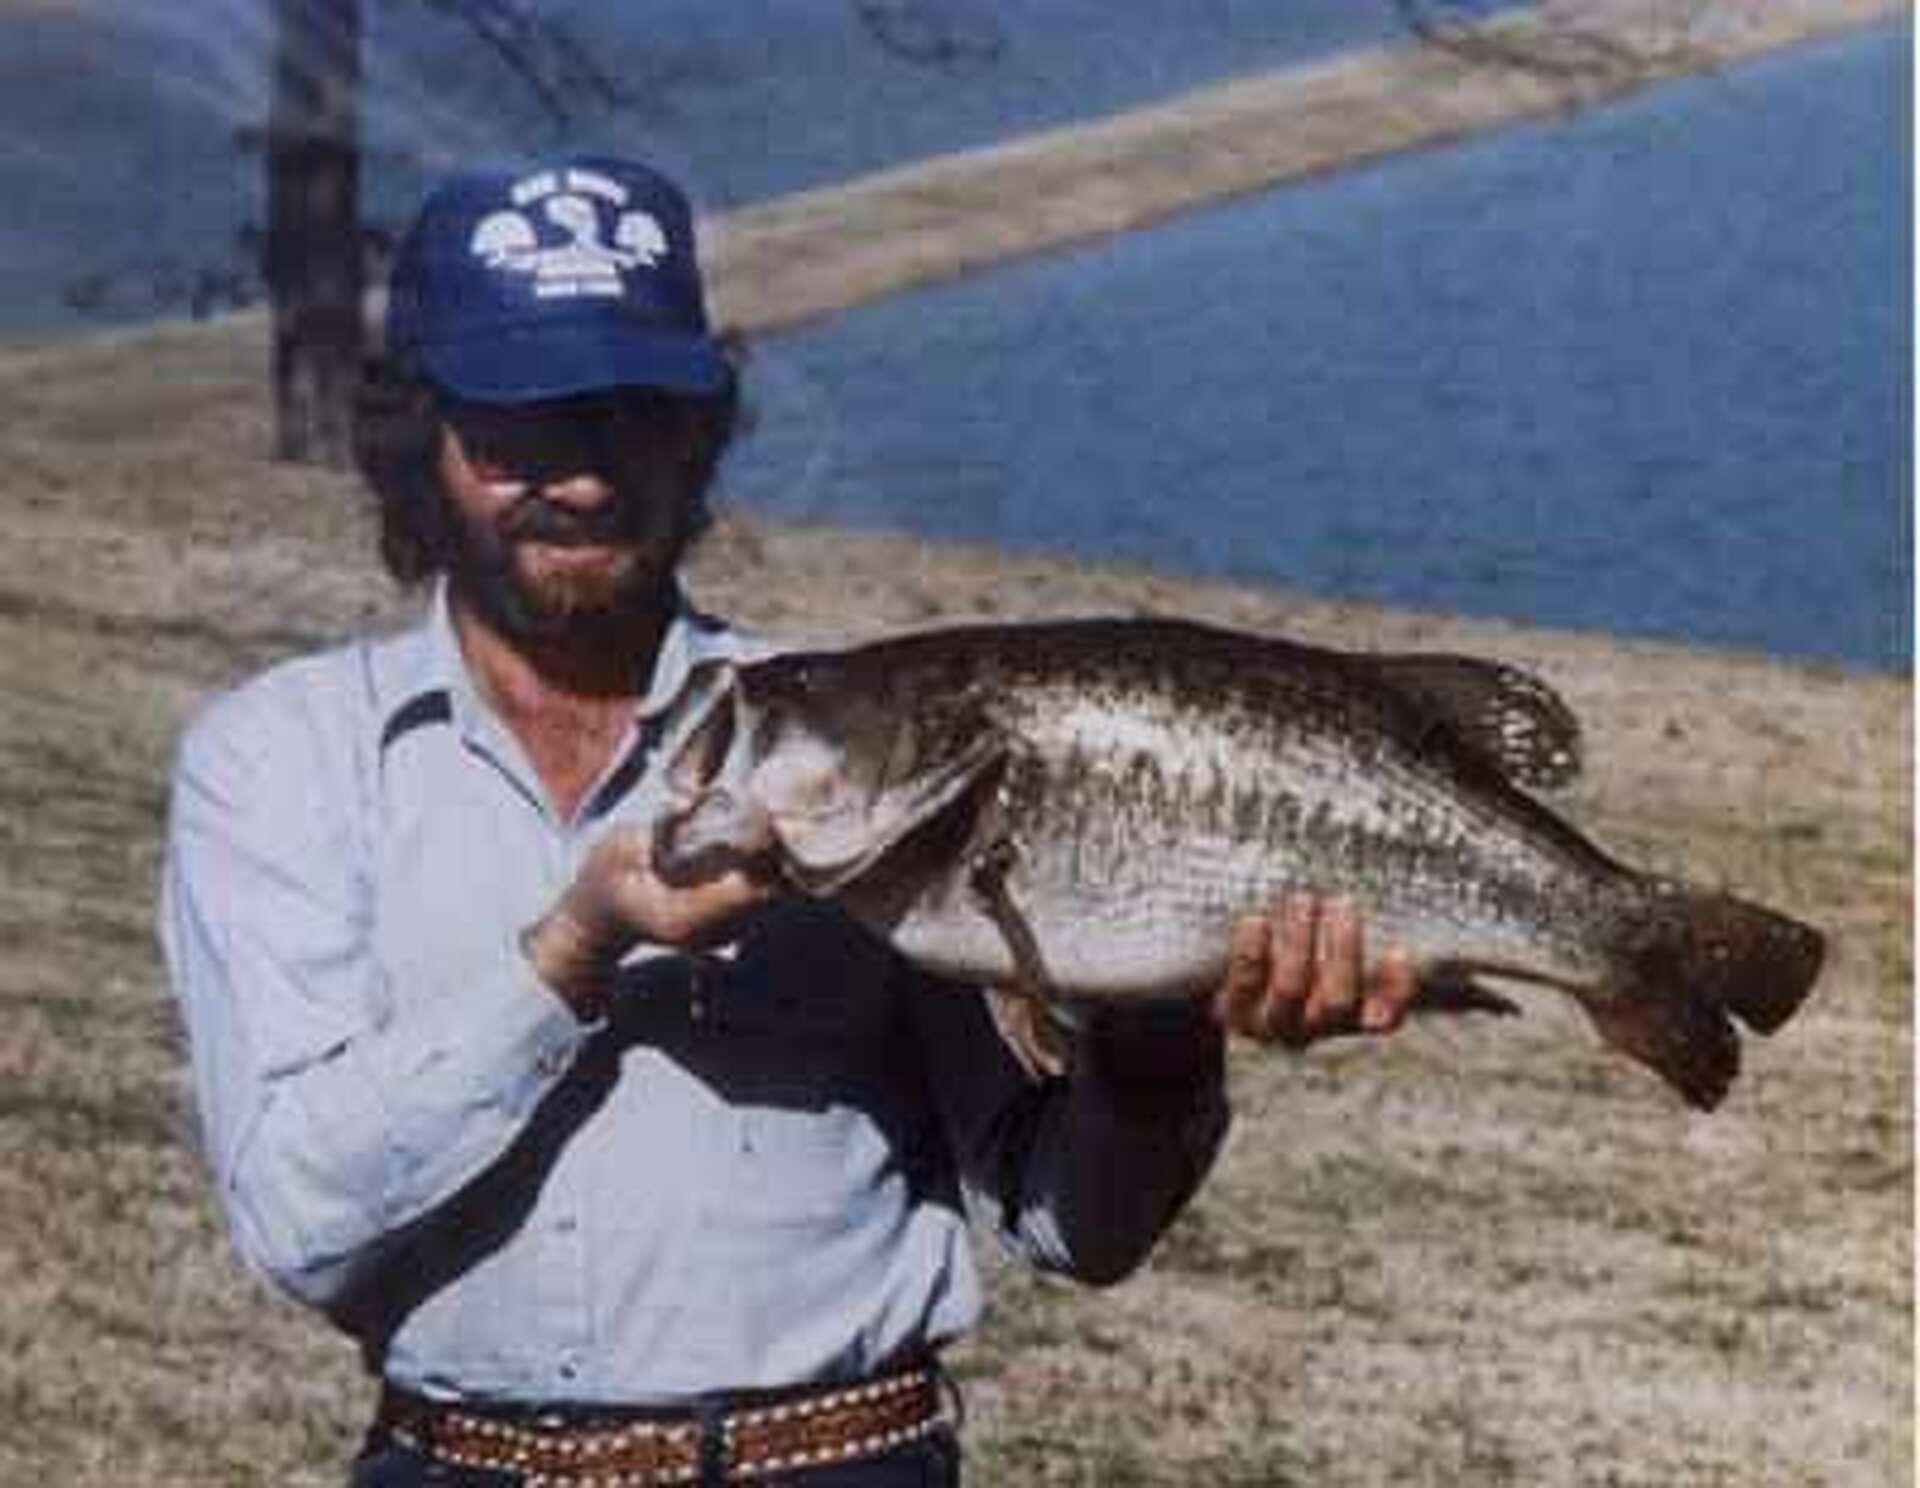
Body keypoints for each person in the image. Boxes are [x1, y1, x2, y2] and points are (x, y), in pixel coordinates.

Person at [160, 156, 1418, 1487]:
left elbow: (1073, 1228)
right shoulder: (280, 760)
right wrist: (574, 949)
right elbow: (299, 1216)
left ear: (696, 438)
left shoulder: (872, 742)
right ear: (419, 435)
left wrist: (1157, 1038)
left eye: (626, 418)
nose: (580, 478)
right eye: (516, 425)